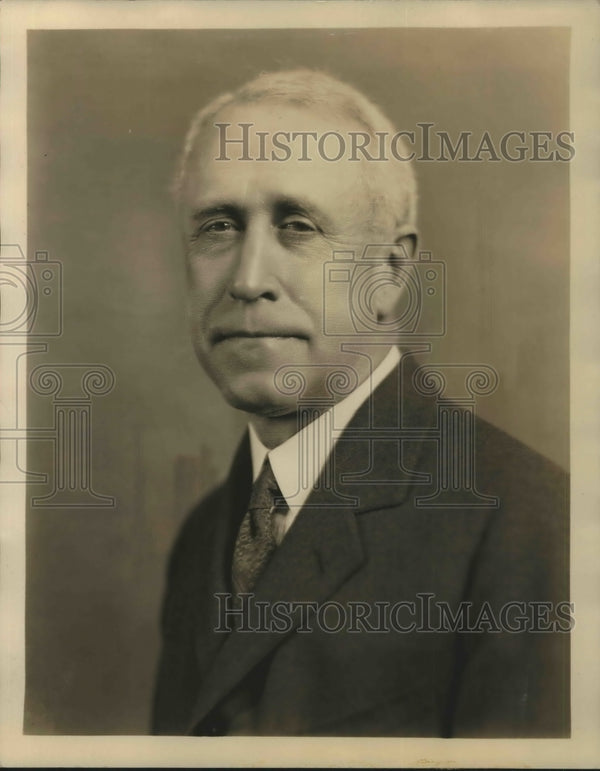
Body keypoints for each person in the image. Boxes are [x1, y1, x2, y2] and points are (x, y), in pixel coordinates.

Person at [152, 69, 569, 737]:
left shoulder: (530, 522)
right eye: (218, 226)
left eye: (297, 225)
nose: (248, 278)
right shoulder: (207, 531)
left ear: (390, 272)